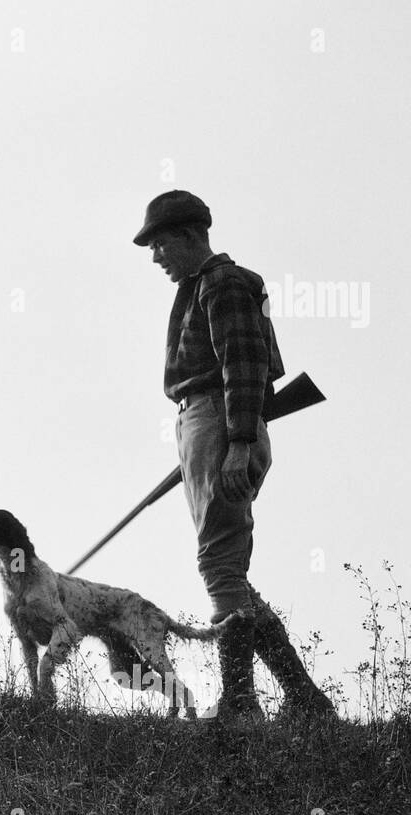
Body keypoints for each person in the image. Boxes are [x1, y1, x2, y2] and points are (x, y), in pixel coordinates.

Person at [133, 191, 334, 721]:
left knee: (219, 566)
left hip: (220, 418)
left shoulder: (224, 283)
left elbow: (243, 365)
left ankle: (241, 703)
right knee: (228, 571)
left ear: (187, 235)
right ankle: (306, 701)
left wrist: (237, 441)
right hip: (208, 421)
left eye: (159, 244)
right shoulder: (207, 287)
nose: (156, 257)